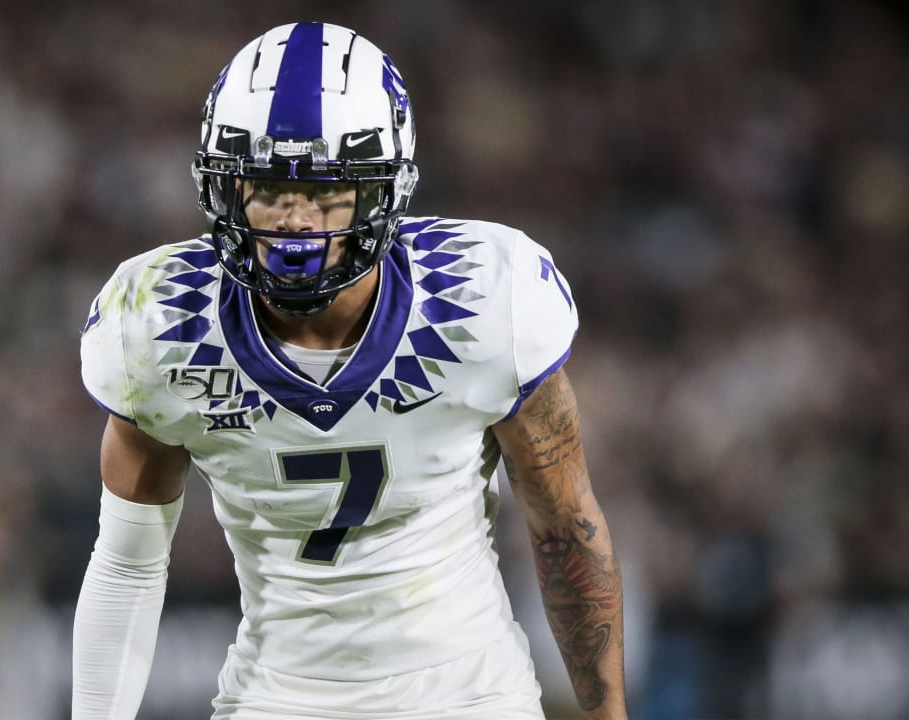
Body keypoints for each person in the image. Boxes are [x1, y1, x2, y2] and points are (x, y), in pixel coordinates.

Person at [74, 21, 626, 720]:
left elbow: (564, 527)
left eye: (329, 189)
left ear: (385, 193)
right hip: (274, 701)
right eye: (270, 187)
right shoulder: (158, 323)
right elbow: (128, 562)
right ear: (223, 187)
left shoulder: (488, 300)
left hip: (469, 697)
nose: (298, 221)